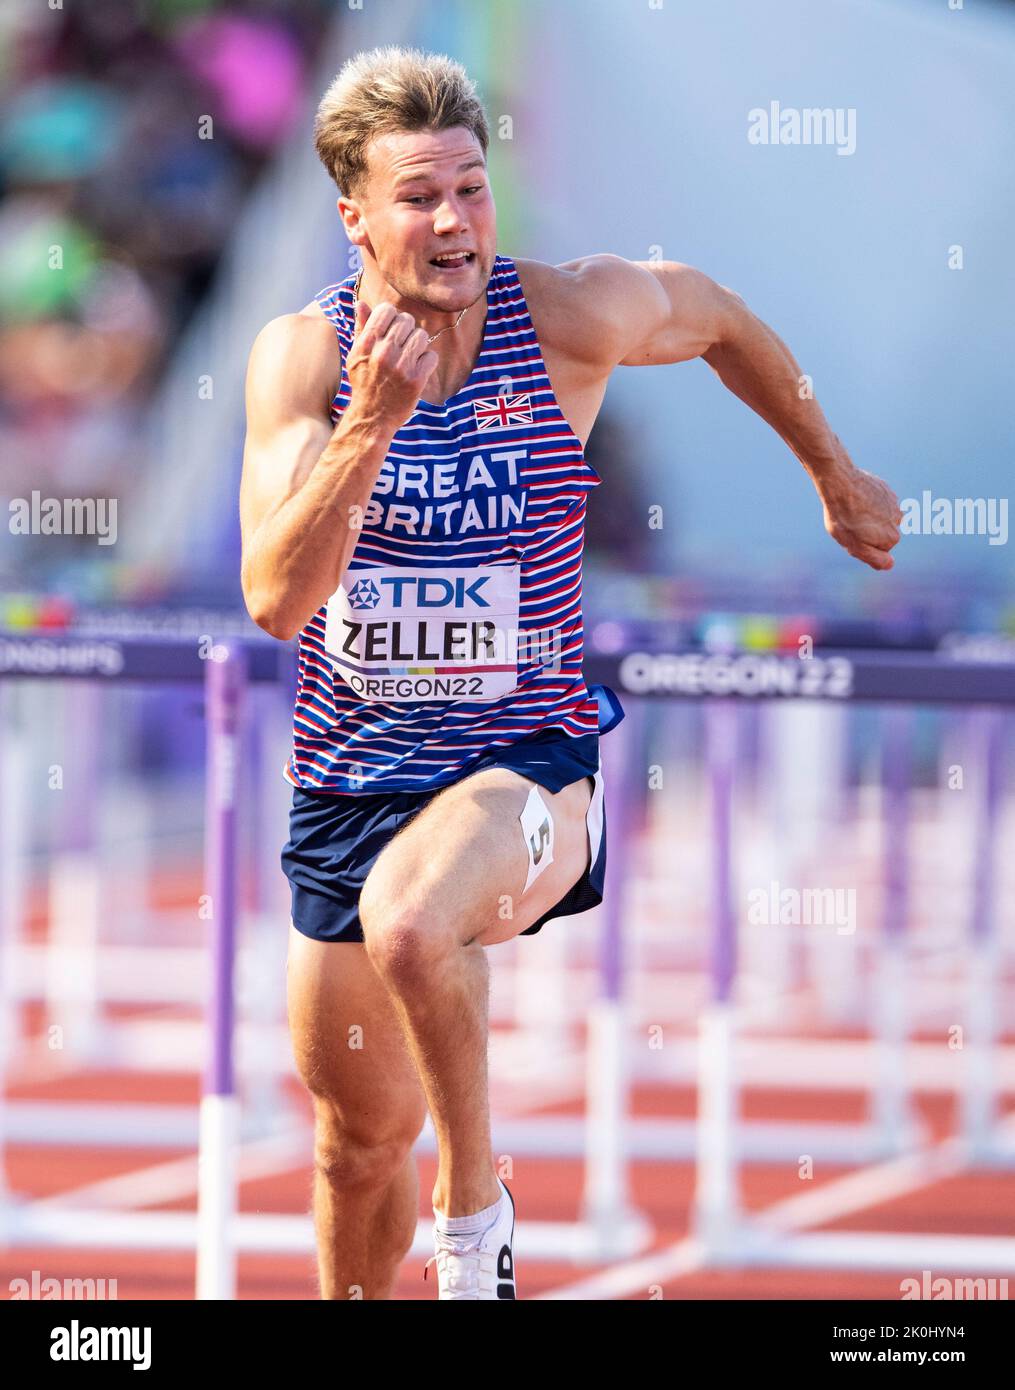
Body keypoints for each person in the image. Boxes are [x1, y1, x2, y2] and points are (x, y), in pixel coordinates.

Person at [238, 45, 902, 1301]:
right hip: (348, 785)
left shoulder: (563, 316)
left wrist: (832, 470)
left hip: (523, 764)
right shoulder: (305, 363)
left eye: (473, 189)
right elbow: (276, 599)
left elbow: (715, 314)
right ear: (355, 218)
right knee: (355, 1145)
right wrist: (370, 423)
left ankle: (477, 1220)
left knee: (419, 924)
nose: (454, 222)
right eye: (420, 196)